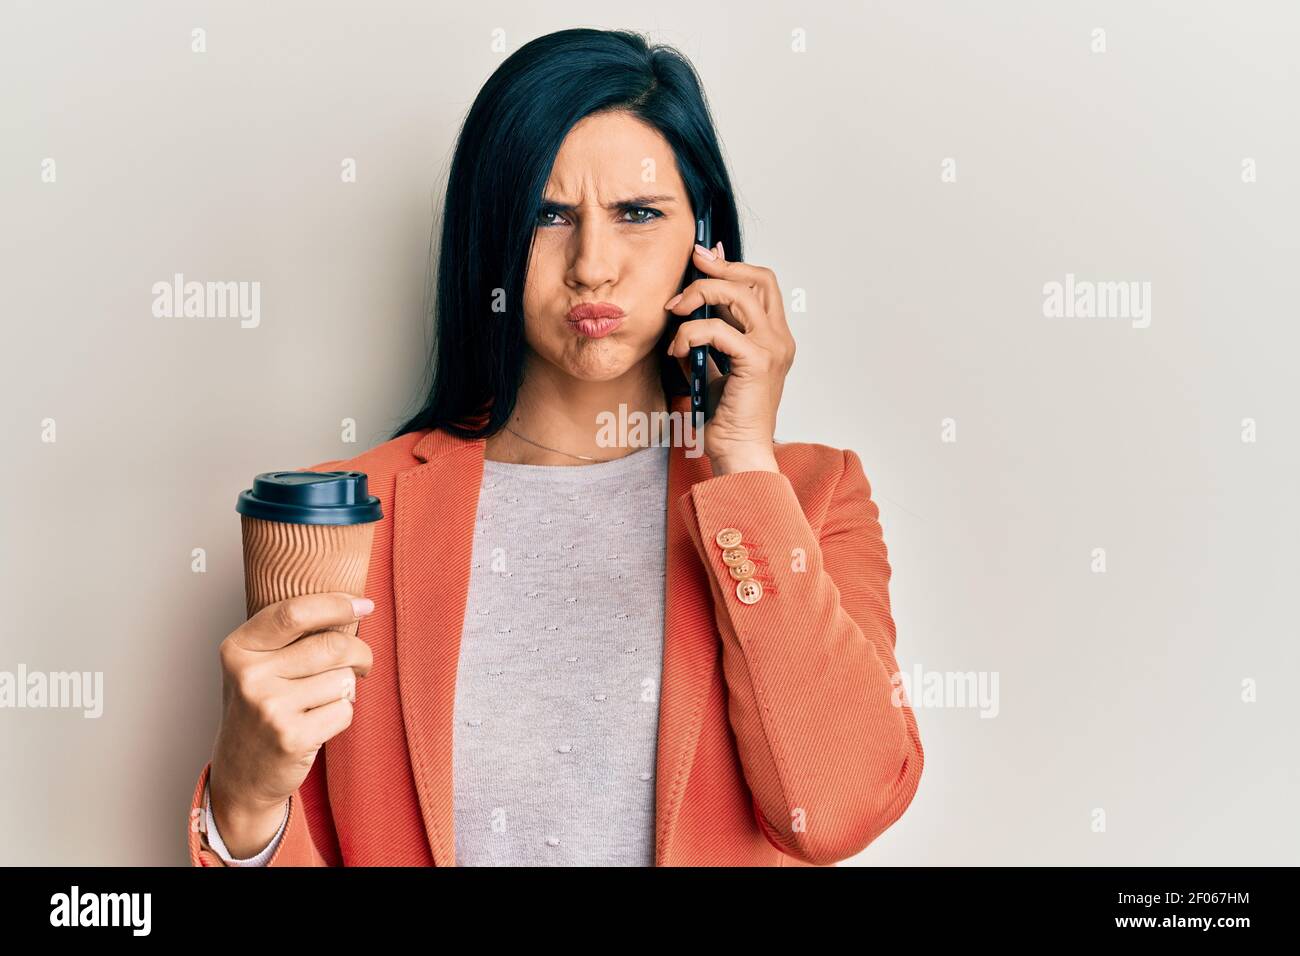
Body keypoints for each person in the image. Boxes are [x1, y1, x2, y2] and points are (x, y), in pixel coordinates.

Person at [186, 27, 923, 867]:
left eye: (639, 214)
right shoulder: (345, 512)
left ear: (705, 237)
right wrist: (242, 799)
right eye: (548, 215)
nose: (593, 266)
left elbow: (835, 814)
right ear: (490, 234)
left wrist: (746, 461)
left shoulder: (810, 495)